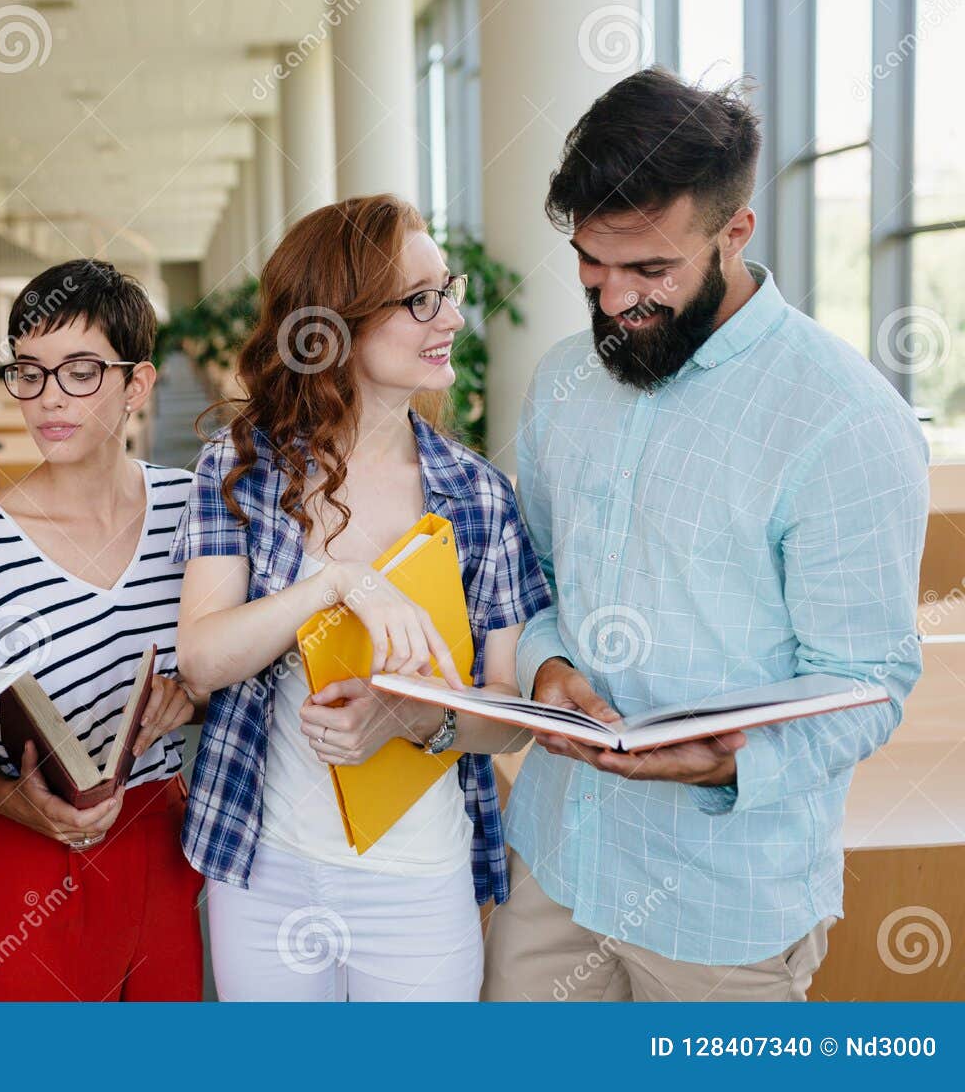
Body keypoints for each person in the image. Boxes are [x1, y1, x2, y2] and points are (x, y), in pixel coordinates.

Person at [484, 68, 929, 1002]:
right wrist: (546, 668)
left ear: (736, 232)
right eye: (591, 266)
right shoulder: (563, 379)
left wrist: (732, 759)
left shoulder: (843, 420)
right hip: (560, 863)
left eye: (651, 272)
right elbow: (536, 577)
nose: (613, 304)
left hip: (726, 907)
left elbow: (869, 681)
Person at [172, 195, 552, 1001]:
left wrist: (416, 717)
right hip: (264, 864)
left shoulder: (477, 497)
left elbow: (507, 710)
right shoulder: (241, 469)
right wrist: (339, 582)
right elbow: (202, 659)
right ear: (336, 324)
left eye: (444, 288)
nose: (450, 314)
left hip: (420, 874)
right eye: (420, 300)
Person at [0, 259, 205, 1001]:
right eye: (30, 372)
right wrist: (18, 800)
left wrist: (195, 695)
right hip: (26, 851)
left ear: (138, 384)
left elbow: (244, 676)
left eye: (81, 371)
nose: (49, 398)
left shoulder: (195, 513)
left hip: (162, 842)